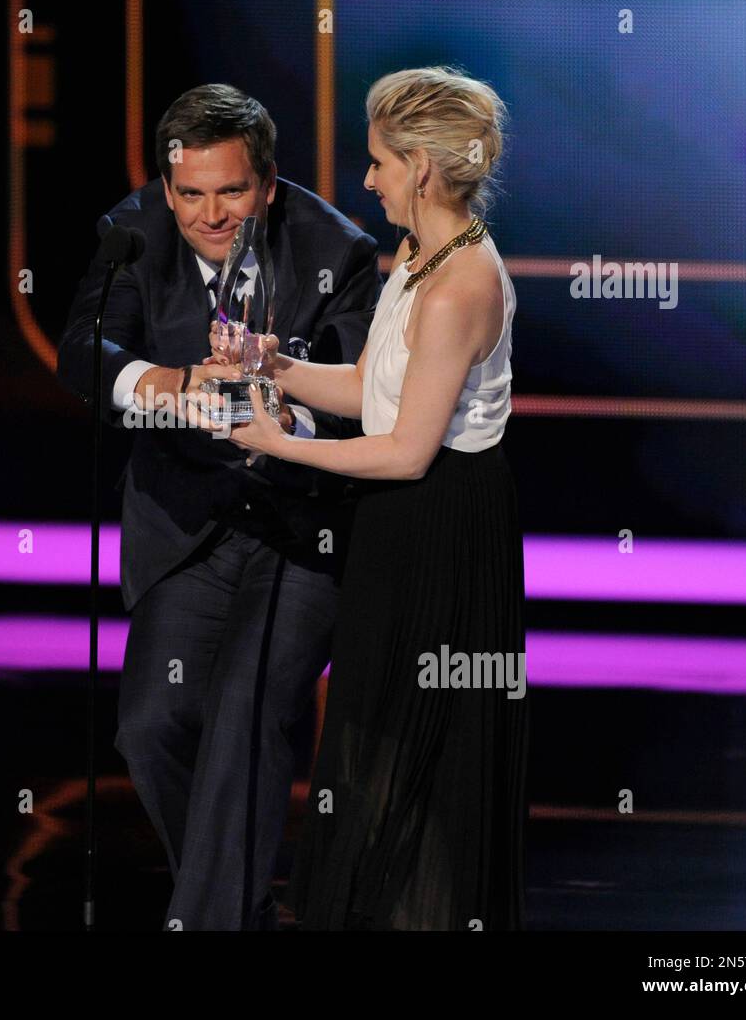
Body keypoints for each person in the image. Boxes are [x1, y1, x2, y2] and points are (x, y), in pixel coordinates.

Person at [198, 66, 529, 930]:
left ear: (422, 167)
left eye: (380, 160)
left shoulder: (462, 282)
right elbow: (377, 390)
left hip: (441, 528)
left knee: (418, 747)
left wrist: (279, 439)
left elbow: (410, 449)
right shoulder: (421, 253)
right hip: (395, 521)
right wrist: (274, 366)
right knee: (371, 734)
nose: (369, 176)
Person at [56, 83, 380, 930]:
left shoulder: (335, 251)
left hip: (298, 525)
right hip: (185, 521)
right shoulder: (132, 235)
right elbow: (83, 352)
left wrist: (274, 404)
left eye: (231, 192)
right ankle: (238, 906)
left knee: (246, 712)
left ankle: (210, 920)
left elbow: (362, 396)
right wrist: (167, 384)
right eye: (190, 193)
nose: (209, 213)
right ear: (167, 188)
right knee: (154, 724)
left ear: (267, 185)